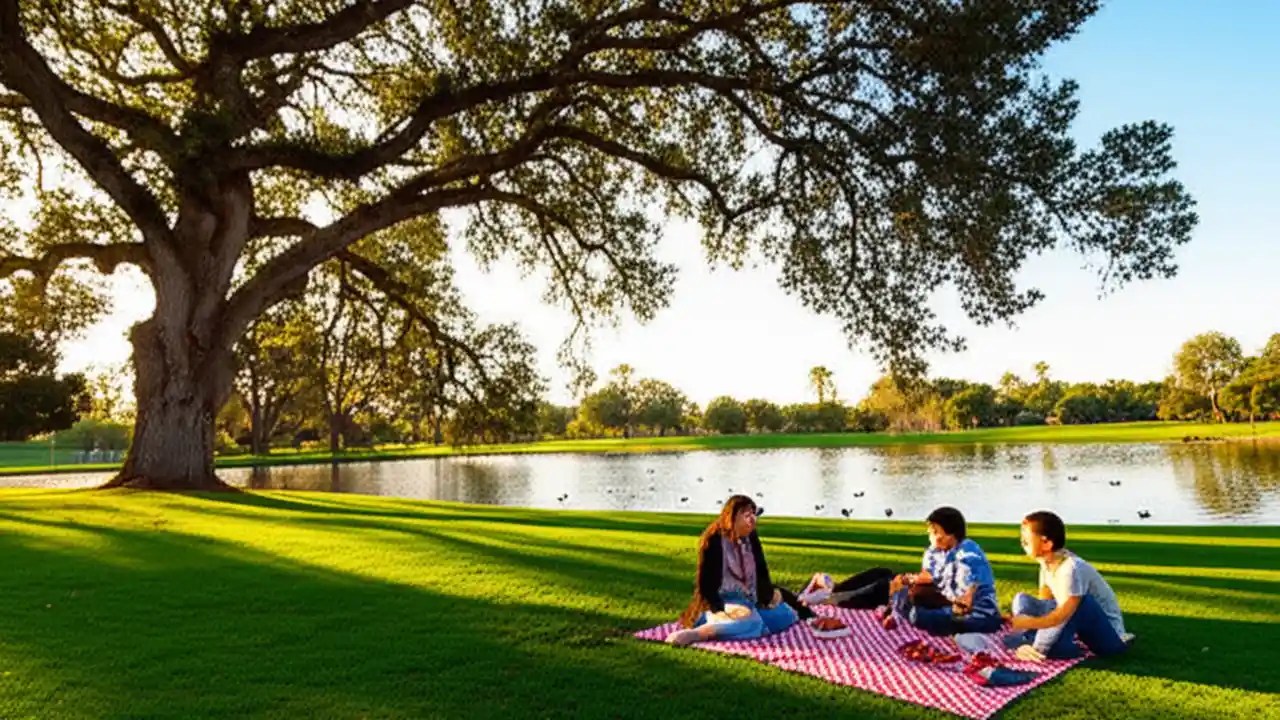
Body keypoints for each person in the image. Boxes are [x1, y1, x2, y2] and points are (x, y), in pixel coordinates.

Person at [666, 495, 799, 645]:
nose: (752, 520)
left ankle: (749, 627)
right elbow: (706, 585)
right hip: (724, 600)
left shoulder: (750, 537)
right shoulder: (714, 540)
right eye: (747, 515)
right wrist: (722, 609)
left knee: (786, 615)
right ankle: (701, 633)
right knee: (752, 623)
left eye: (754, 515)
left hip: (750, 599)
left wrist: (768, 597)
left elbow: (761, 572)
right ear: (733, 517)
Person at [1006, 510, 1134, 661]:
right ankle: (1031, 641)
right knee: (1022, 599)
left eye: (1026, 540)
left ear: (1047, 543)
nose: (1022, 543)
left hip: (1108, 638)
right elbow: (1046, 603)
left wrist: (1035, 640)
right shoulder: (1046, 563)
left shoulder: (1070, 569)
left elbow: (1062, 614)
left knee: (1080, 603)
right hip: (1069, 619)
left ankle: (1042, 648)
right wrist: (1026, 629)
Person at [882, 506, 1002, 636]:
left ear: (950, 535)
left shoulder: (967, 550)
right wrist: (908, 581)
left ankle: (908, 613)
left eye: (934, 532)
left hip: (979, 614)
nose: (930, 536)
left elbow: (973, 572)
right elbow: (933, 576)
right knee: (906, 592)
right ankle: (900, 611)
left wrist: (969, 593)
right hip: (951, 605)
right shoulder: (940, 551)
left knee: (920, 617)